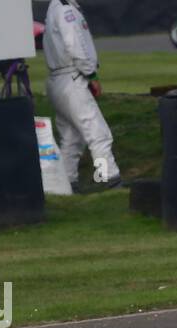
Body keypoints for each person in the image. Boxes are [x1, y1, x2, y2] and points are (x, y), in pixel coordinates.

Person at [43, 0, 121, 190]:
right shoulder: (66, 10)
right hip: (72, 78)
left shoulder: (53, 9)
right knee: (98, 134)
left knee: (71, 138)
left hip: (57, 80)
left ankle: (66, 184)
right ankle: (108, 178)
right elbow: (75, 44)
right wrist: (91, 74)